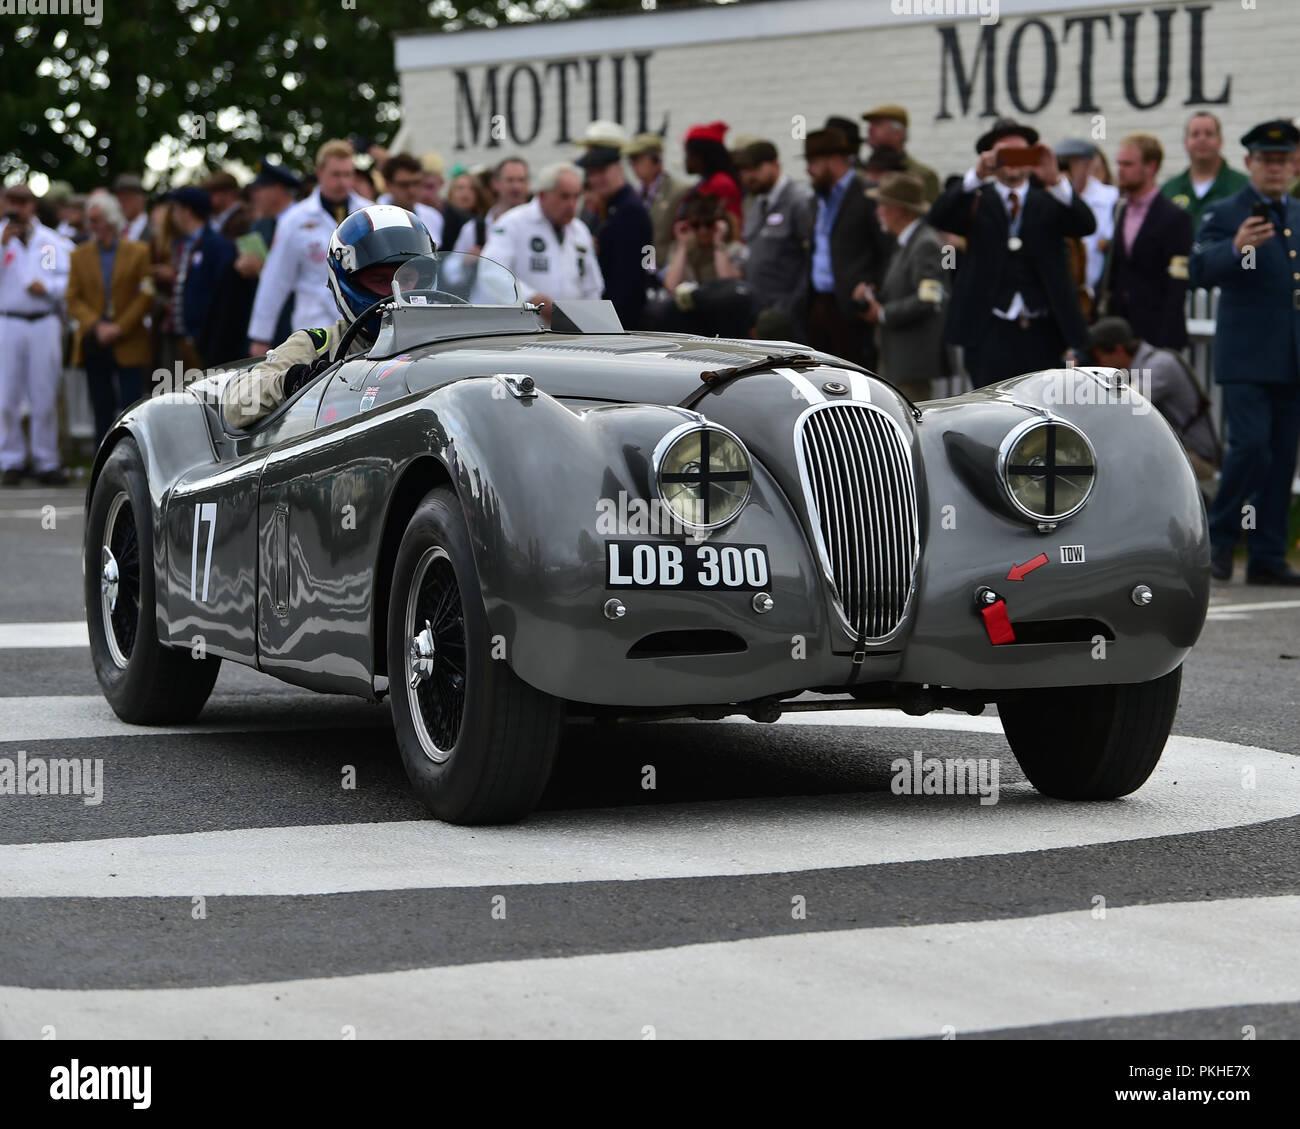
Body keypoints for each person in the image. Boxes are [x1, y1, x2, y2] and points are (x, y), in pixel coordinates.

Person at [1190, 119, 1300, 586]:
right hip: (1247, 358)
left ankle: (1267, 556)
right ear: (1249, 163)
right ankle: (1217, 539)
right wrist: (1236, 248)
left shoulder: (1296, 213)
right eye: (1266, 161)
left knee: (1281, 456)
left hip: (1291, 357)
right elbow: (1198, 270)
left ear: (1295, 165)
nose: (1275, 169)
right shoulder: (1225, 212)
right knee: (1250, 448)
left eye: (1283, 161)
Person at [223, 205, 435, 429]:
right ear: (347, 282)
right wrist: (294, 381)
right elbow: (236, 406)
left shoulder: (448, 335)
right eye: (381, 280)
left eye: (407, 277)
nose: (396, 291)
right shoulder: (318, 345)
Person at [928, 117, 1095, 388]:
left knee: (1043, 411)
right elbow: (938, 217)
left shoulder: (1050, 198)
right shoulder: (977, 198)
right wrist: (978, 174)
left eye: (1022, 152)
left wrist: (1055, 180)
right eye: (1006, 153)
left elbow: (1086, 225)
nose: (1015, 161)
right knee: (989, 409)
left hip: (1043, 330)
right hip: (989, 330)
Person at [247, 139, 369, 355]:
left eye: (348, 174)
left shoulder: (368, 213)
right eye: (335, 174)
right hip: (314, 324)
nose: (342, 182)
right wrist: (260, 335)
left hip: (361, 323)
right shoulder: (295, 220)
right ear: (320, 172)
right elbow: (276, 279)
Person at [1087, 317, 1220, 491]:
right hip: (1177, 453)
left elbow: (1123, 403)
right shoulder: (1139, 367)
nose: (1098, 364)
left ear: (1118, 350)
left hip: (1196, 459)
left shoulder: (1160, 365)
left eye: (1098, 357)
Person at [65, 193, 154, 446]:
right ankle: (101, 462)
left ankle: (133, 457)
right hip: (95, 342)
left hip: (129, 340)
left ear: (111, 221)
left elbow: (146, 293)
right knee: (101, 407)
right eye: (89, 220)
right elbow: (72, 297)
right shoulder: (79, 255)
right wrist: (96, 325)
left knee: (132, 409)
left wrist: (119, 327)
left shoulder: (138, 252)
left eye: (96, 220)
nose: (91, 226)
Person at [801, 126, 891, 369]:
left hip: (852, 308)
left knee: (854, 380)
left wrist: (873, 286)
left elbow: (888, 249)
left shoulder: (868, 194)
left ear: (834, 159)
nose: (808, 169)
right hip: (819, 304)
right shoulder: (817, 200)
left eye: (813, 161)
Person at [0, 182, 72, 485]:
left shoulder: (50, 241)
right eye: (13, 201)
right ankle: (10, 459)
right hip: (9, 320)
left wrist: (50, 288)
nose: (19, 208)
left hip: (44, 319)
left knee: (44, 393)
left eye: (24, 202)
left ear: (33, 205)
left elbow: (67, 278)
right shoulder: (2, 238)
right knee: (6, 395)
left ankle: (46, 459)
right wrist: (3, 245)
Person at [1100, 134, 1193, 350]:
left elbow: (1177, 284)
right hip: (1121, 335)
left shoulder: (1175, 218)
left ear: (1150, 167)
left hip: (1157, 332)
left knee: (1149, 385)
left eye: (1128, 164)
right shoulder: (1119, 209)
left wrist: (1163, 343)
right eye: (1119, 163)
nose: (1120, 170)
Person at [478, 164, 603, 322]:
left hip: (572, 333)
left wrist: (592, 322)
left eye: (576, 196)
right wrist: (532, 298)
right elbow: (492, 271)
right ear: (543, 195)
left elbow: (592, 285)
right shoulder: (513, 223)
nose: (572, 204)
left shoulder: (579, 230)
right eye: (564, 197)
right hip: (524, 331)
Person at [862, 172, 946, 403]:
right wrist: (874, 296)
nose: (877, 212)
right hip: (899, 359)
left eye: (881, 205)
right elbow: (905, 289)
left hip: (912, 363)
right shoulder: (906, 242)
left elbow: (929, 299)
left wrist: (883, 313)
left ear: (898, 209)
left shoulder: (925, 244)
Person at [734, 139, 814, 338]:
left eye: (756, 168)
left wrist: (794, 305)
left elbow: (811, 258)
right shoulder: (754, 204)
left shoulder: (798, 202)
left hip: (789, 314)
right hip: (759, 310)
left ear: (775, 164)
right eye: (744, 170)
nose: (749, 176)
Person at [576, 143, 653, 329]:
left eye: (601, 171)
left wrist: (611, 324)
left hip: (620, 318)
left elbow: (628, 277)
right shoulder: (612, 206)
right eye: (591, 173)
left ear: (619, 169)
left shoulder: (629, 210)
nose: (596, 179)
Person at [158, 186, 234, 372]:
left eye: (175, 209)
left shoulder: (218, 246)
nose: (172, 215)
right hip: (181, 335)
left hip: (203, 340)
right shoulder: (182, 244)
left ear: (187, 211)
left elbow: (222, 295)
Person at [1161, 112, 1250, 234]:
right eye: (1195, 134)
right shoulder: (1169, 189)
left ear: (1220, 141)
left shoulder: (1243, 186)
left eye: (1209, 134)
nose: (1202, 139)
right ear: (1186, 142)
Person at [1056, 138, 1118, 297]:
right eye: (1061, 164)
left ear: (1088, 166)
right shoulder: (1051, 197)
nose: (1065, 171)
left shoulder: (1110, 198)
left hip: (1099, 292)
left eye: (1071, 164)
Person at [624, 132, 688, 274]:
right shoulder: (635, 194)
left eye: (637, 158)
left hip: (666, 272)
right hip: (639, 272)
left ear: (656, 159)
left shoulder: (678, 191)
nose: (632, 164)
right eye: (631, 159)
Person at [450, 156, 530, 256]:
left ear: (528, 184)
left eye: (521, 180)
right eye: (510, 180)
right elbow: (451, 266)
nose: (516, 187)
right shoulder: (475, 229)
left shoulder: (544, 224)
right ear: (495, 184)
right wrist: (465, 261)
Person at [861, 105, 941, 203]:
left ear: (899, 132)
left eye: (878, 124)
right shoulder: (859, 172)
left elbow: (928, 215)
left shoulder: (923, 176)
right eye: (870, 125)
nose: (870, 130)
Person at [379, 151, 445, 247]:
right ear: (388, 185)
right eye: (404, 185)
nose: (412, 190)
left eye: (416, 183)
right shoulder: (371, 219)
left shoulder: (433, 216)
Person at [683, 122, 742, 220]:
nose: (686, 160)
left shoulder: (721, 184)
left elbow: (731, 222)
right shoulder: (706, 182)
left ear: (704, 156)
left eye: (689, 154)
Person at [203, 171, 251, 240]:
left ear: (229, 193)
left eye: (213, 192)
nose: (208, 195)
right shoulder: (210, 217)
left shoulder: (244, 219)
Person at [113, 172, 152, 244]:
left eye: (128, 199)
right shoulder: (115, 229)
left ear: (142, 200)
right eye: (120, 199)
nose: (123, 204)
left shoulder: (154, 230)